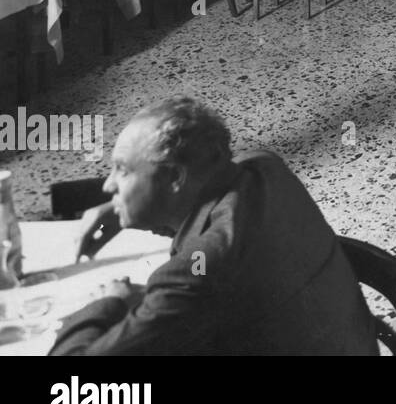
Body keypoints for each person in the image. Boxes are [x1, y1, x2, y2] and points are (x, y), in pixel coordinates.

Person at [51, 98, 375, 356]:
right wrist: (123, 209)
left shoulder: (193, 275)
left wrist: (109, 302)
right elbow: (207, 212)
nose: (108, 186)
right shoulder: (264, 167)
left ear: (176, 177)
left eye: (121, 170)